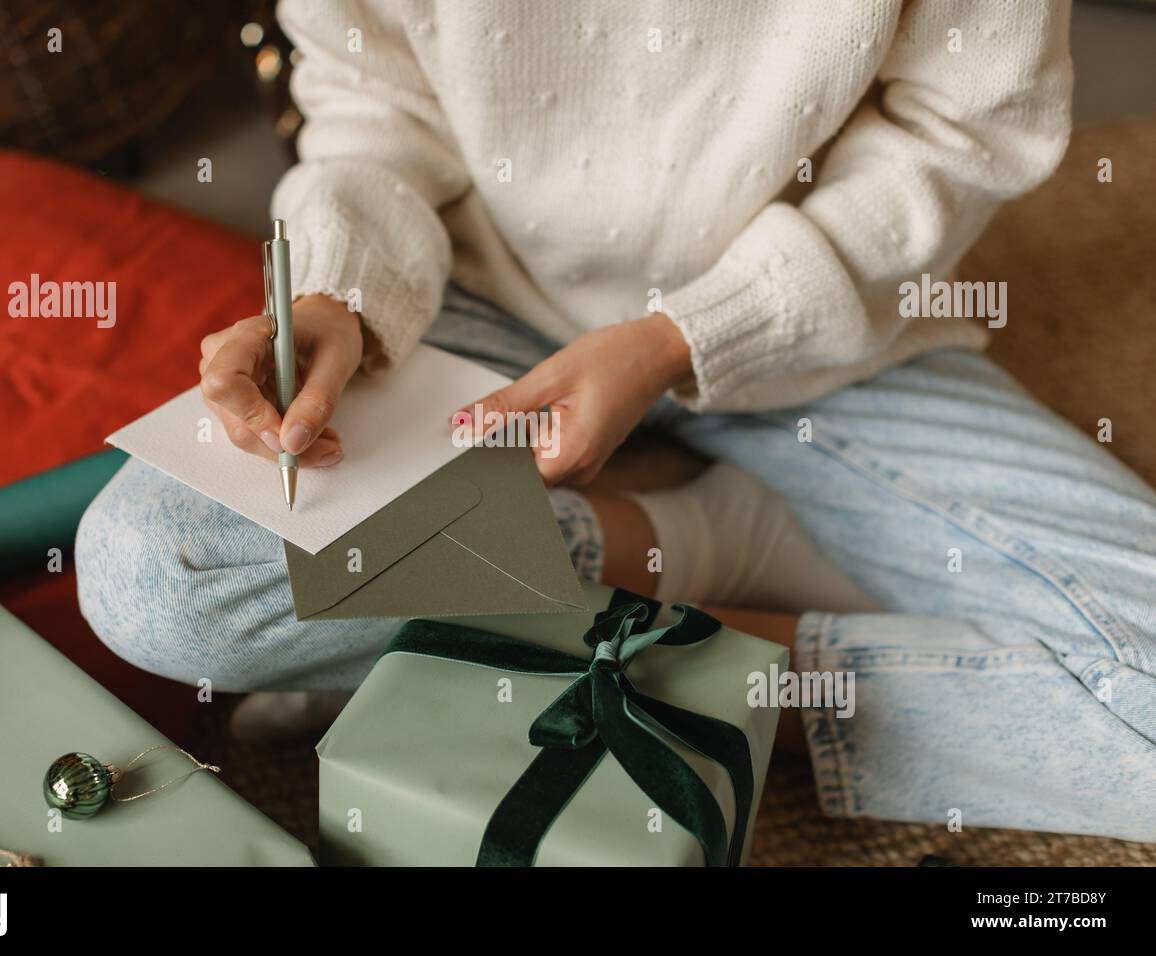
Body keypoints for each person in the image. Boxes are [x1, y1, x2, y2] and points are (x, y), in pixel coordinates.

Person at [77, 1, 1156, 841]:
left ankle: (668, 579)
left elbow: (967, 132)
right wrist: (341, 293)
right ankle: (673, 543)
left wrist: (680, 339)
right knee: (155, 575)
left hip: (828, 324)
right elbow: (372, 110)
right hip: (474, 300)